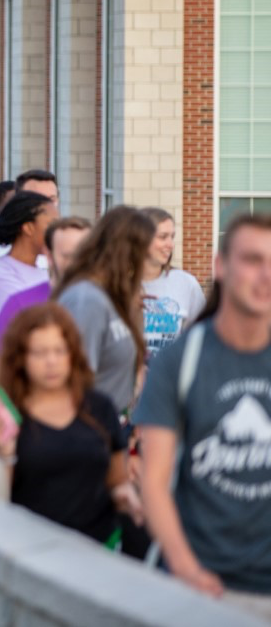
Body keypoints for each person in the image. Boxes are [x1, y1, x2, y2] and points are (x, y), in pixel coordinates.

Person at [135, 214, 271, 612]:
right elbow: (154, 481)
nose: (265, 275)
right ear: (220, 266)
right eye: (252, 260)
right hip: (199, 584)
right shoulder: (181, 361)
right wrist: (186, 568)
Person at [0, 303, 141, 545]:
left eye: (60, 351)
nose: (51, 361)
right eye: (40, 353)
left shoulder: (99, 407)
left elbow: (116, 482)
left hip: (97, 550)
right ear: (21, 358)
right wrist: (6, 454)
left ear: (73, 354)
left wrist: (131, 499)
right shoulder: (4, 415)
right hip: (30, 551)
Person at [54, 206, 154, 415]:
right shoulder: (87, 299)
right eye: (144, 253)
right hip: (88, 431)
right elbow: (75, 380)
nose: (147, 262)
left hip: (111, 427)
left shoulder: (110, 297)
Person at [0, 191, 57, 398]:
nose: (57, 232)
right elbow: (29, 323)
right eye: (51, 224)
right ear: (28, 227)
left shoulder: (44, 273)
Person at [141, 207, 207, 359]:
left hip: (169, 379)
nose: (170, 244)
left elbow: (202, 336)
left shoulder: (185, 283)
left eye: (172, 237)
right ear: (141, 238)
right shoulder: (120, 283)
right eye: (163, 237)